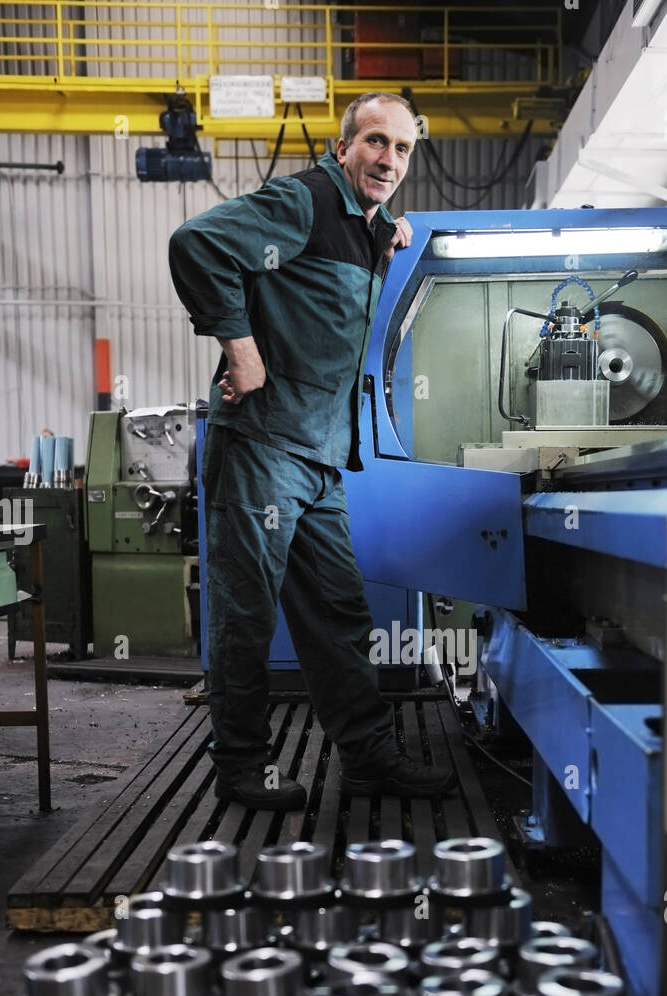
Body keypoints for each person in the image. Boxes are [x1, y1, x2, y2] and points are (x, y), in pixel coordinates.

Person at [169, 91, 456, 810]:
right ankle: (241, 767)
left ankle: (367, 756)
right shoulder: (304, 201)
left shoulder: (367, 225)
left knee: (337, 610)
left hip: (321, 457)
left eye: (401, 149)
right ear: (343, 145)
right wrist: (241, 349)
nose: (388, 158)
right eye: (375, 143)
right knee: (247, 616)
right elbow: (196, 244)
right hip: (263, 445)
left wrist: (387, 233)